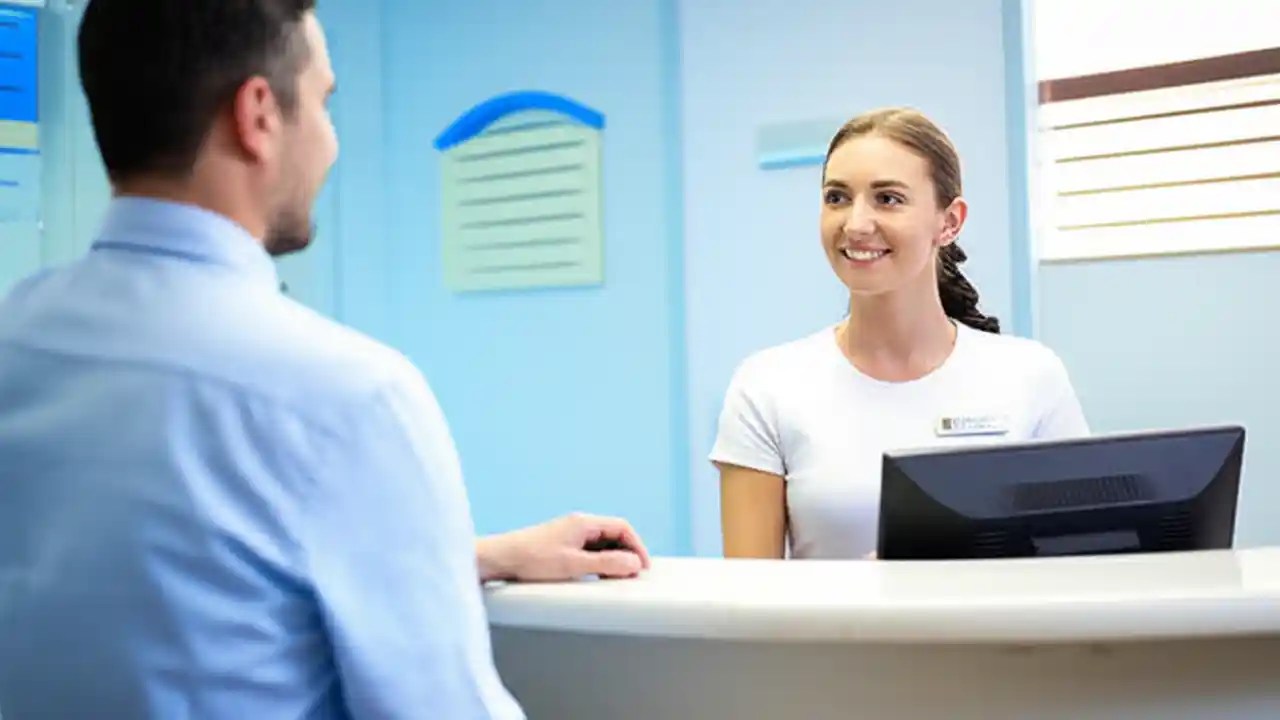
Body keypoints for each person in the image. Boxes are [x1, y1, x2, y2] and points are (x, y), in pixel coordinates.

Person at [0, 2, 648, 718]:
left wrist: (475, 556)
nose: (332, 143)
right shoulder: (352, 400)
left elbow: (150, 573)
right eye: (323, 102)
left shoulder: (17, 342)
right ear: (258, 116)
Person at [711, 107, 1089, 561]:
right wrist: (867, 594)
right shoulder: (766, 386)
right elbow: (750, 603)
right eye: (837, 197)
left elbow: (1076, 568)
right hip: (835, 635)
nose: (855, 224)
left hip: (995, 635)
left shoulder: (1032, 376)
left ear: (949, 222)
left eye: (887, 198)